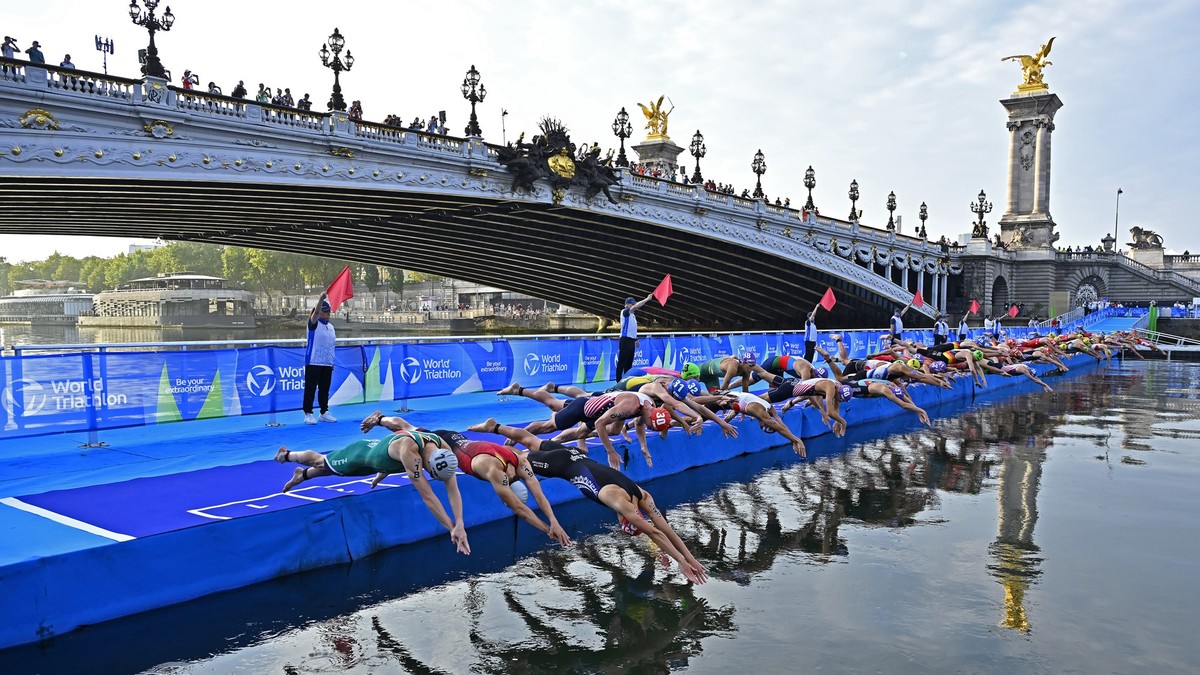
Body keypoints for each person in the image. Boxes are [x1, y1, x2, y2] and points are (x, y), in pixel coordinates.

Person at [468, 418, 708, 584]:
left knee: (529, 439)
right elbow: (655, 534)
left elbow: (665, 529)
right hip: (561, 466)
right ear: (626, 518)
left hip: (572, 455)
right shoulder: (621, 504)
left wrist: (690, 558)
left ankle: (495, 426)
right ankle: (490, 452)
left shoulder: (642, 495)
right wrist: (681, 563)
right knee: (520, 457)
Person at [360, 412, 571, 547]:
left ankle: (383, 427)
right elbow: (521, 510)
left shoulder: (519, 461)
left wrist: (554, 521)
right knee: (408, 434)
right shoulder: (494, 473)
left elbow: (538, 492)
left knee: (408, 427)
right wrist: (548, 530)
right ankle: (380, 419)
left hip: (457, 438)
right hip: (442, 446)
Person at [273, 428, 470, 555]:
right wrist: (451, 528)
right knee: (321, 462)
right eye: (432, 475)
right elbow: (428, 497)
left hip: (383, 461)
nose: (432, 477)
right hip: (361, 454)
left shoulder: (442, 449)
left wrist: (460, 523)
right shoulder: (411, 456)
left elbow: (452, 488)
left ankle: (303, 475)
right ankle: (288, 455)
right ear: (428, 464)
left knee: (337, 471)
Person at [303, 292, 337, 425]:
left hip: (327, 362)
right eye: (325, 311)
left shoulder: (331, 327)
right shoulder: (314, 323)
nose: (328, 313)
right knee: (310, 388)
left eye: (329, 311)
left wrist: (332, 361)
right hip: (313, 361)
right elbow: (315, 313)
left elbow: (331, 345)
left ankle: (324, 412)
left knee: (325, 388)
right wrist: (320, 299)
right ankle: (308, 413)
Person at [616, 293, 653, 380]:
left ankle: (627, 379)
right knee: (622, 361)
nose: (633, 306)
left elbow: (632, 329)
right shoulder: (625, 312)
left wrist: (636, 340)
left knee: (629, 362)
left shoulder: (633, 316)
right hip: (625, 340)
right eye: (631, 304)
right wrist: (647, 299)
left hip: (631, 340)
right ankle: (618, 380)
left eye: (633, 304)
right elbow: (636, 306)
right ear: (627, 305)